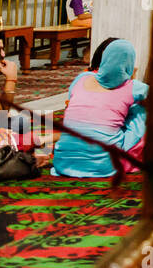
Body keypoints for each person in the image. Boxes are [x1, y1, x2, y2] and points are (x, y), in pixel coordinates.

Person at [52, 40, 147, 178]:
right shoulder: (133, 87)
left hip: (63, 163)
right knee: (141, 110)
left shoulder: (82, 78)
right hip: (104, 165)